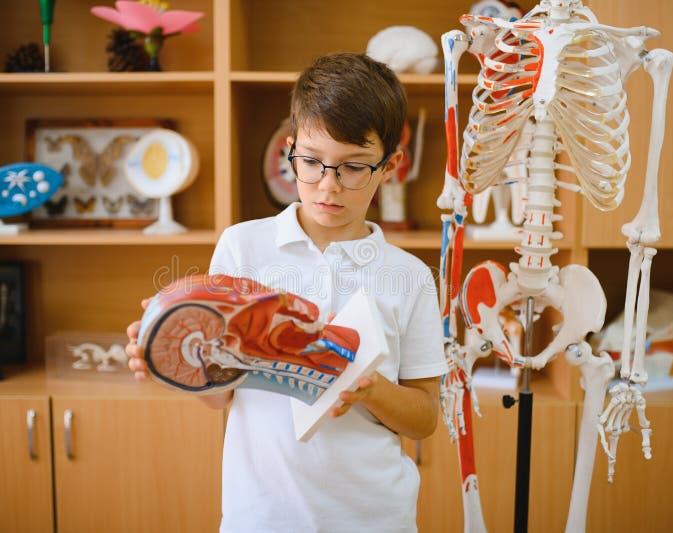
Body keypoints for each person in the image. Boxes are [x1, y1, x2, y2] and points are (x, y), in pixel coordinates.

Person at [125, 52, 448, 533]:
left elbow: (423, 418)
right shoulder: (242, 246)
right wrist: (173, 358)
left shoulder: (410, 276)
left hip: (373, 517)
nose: (328, 187)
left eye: (353, 167)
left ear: (391, 166)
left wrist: (365, 386)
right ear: (290, 149)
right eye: (311, 162)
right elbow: (221, 395)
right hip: (261, 514)